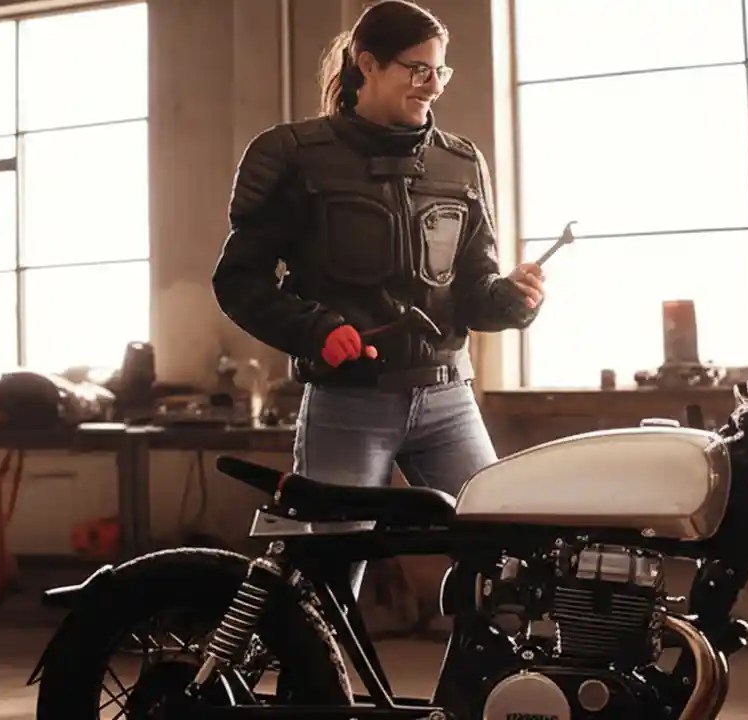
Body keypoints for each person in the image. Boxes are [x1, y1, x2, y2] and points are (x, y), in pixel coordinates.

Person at [211, 0, 545, 596]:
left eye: (440, 71)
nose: (432, 87)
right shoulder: (292, 156)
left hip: (448, 398)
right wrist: (314, 329)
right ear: (367, 64)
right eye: (417, 70)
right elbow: (238, 282)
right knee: (324, 585)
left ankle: (485, 691)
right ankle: (309, 687)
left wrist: (513, 299)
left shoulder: (461, 163)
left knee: (508, 558)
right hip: (348, 405)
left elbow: (473, 292)